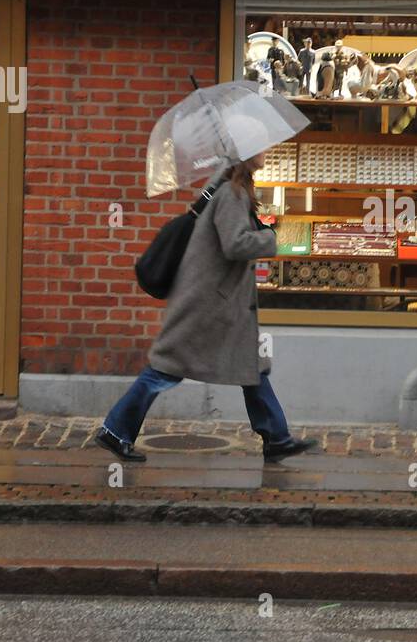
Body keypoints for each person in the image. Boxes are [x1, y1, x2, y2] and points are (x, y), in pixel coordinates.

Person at [95, 151, 316, 463]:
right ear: (247, 153)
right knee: (166, 369)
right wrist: (269, 238)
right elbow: (235, 244)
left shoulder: (229, 186)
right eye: (261, 147)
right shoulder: (232, 192)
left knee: (251, 368)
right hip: (209, 305)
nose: (266, 153)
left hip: (221, 304)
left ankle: (277, 437)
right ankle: (116, 430)